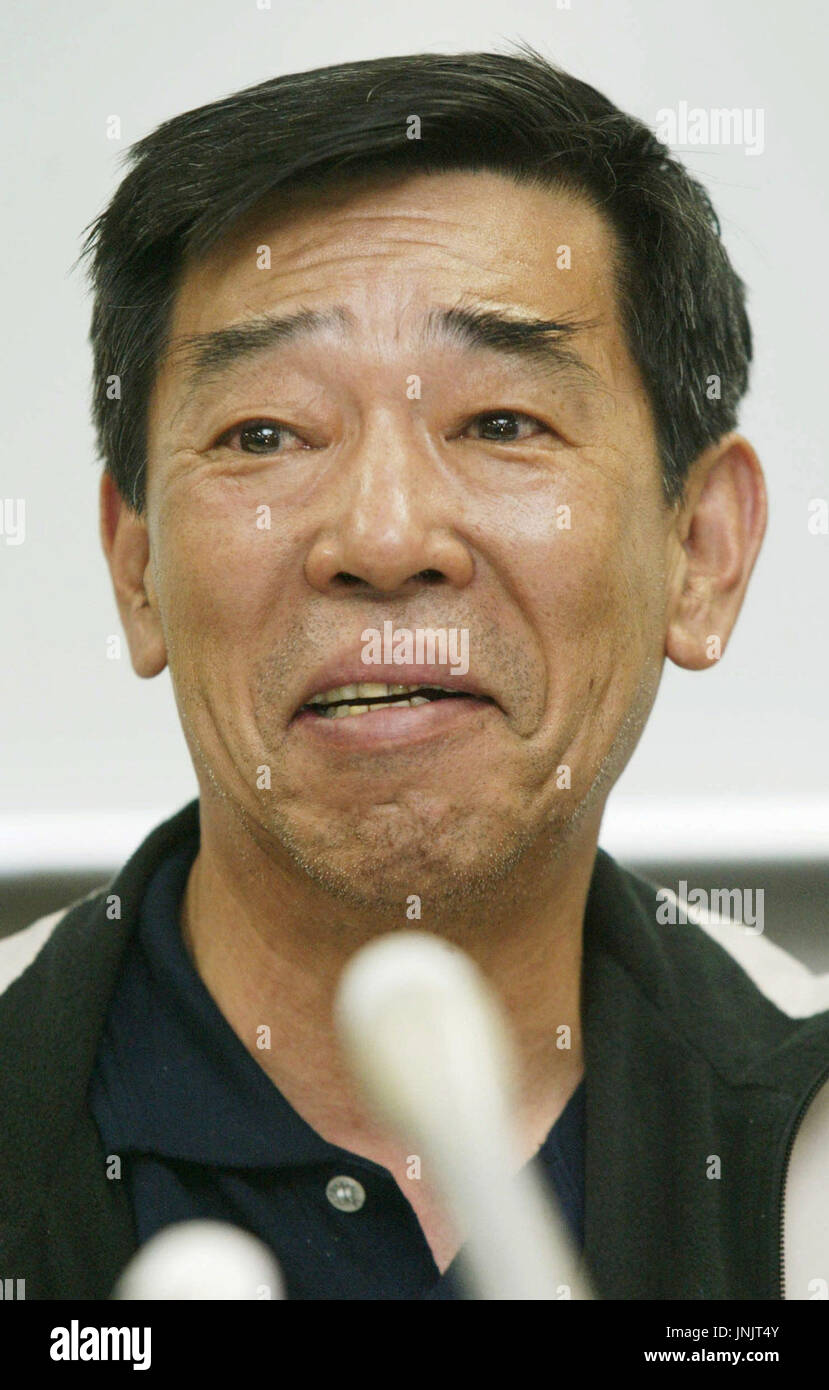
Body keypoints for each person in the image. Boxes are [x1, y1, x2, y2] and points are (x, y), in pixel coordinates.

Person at [2, 46, 827, 1301]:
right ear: (137, 569)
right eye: (264, 433)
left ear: (699, 549)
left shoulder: (799, 1139)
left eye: (502, 423)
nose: (383, 539)